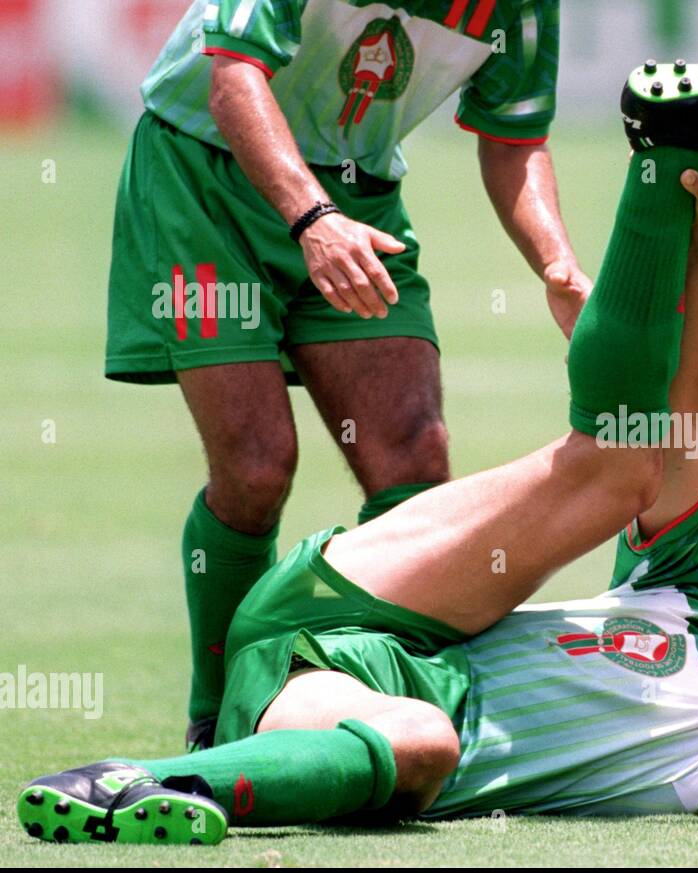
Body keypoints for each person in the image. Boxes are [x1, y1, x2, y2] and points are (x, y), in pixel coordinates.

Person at [17, 51, 698, 846]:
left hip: (327, 701)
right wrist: (696, 229)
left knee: (427, 742)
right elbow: (679, 421)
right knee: (625, 457)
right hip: (365, 607)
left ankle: (146, 782)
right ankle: (666, 152)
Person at [105, 0, 590, 751]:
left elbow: (514, 138)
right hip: (199, 176)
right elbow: (232, 78)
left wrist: (556, 262)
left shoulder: (524, 7)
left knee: (415, 462)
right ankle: (220, 721)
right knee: (258, 466)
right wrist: (312, 220)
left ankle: (390, 694)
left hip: (357, 192)